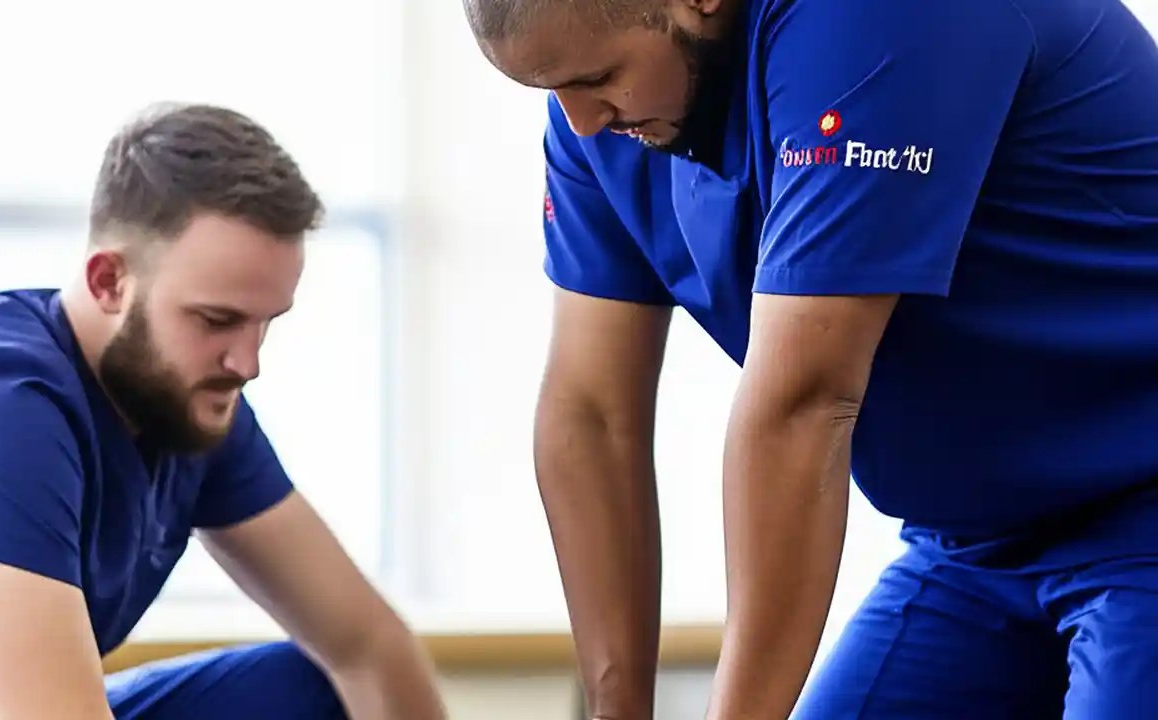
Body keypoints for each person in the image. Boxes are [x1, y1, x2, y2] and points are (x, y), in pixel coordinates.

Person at [464, 0, 1158, 718]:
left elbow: (806, 401)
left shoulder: (881, 18)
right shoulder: (600, 116)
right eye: (553, 90)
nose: (581, 122)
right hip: (975, 546)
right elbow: (591, 412)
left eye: (599, 76)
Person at [0, 103, 446, 720]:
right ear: (108, 282)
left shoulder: (189, 401)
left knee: (311, 691)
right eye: (218, 321)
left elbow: (369, 647)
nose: (247, 362)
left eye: (266, 324)